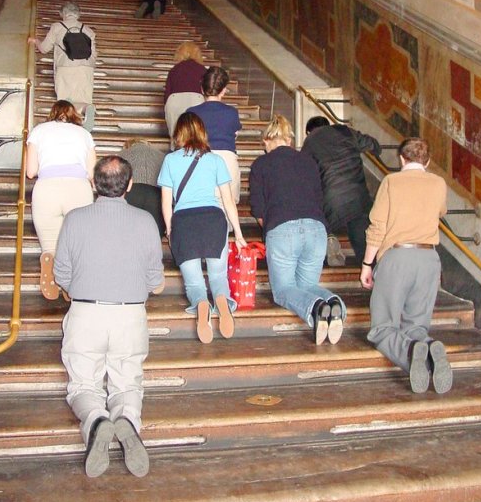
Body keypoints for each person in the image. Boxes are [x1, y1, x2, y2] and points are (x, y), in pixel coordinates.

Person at [54, 155, 164, 478]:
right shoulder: (146, 221)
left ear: (93, 183)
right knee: (127, 382)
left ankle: (96, 420)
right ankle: (127, 419)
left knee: (83, 385)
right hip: (130, 314)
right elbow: (155, 280)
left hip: (86, 312)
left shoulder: (74, 219)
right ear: (129, 186)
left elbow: (61, 274)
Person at [360, 138, 451, 394]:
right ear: (427, 161)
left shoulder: (392, 182)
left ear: (401, 158)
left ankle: (411, 352)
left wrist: (367, 264)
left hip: (397, 257)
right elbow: (441, 211)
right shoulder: (438, 183)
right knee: (417, 326)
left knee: (382, 328)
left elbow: (378, 227)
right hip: (429, 259)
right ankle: (428, 349)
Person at [249, 115, 346, 345]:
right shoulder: (308, 161)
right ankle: (335, 305)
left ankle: (316, 308)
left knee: (283, 290)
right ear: (289, 140)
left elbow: (259, 210)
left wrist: (271, 231)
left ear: (267, 140)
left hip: (282, 228)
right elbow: (320, 197)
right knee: (307, 286)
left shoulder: (261, 164)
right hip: (317, 229)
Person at [157, 112, 247, 344]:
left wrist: (170, 229)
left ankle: (201, 304)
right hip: (214, 220)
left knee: (194, 282)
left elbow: (166, 203)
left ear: (179, 133)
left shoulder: (170, 160)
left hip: (184, 222)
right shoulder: (215, 160)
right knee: (218, 276)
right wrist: (238, 233)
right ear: (202, 132)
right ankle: (222, 302)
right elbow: (228, 201)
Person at [26, 101, 96, 300]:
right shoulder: (84, 134)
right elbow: (92, 173)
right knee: (77, 245)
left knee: (50, 245)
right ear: (74, 115)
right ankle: (70, 283)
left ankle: (49, 261)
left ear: (53, 113)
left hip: (46, 189)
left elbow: (30, 171)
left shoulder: (38, 131)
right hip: (78, 188)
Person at [302, 116, 381, 265]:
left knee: (318, 216)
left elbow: (305, 175)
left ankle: (329, 237)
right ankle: (367, 266)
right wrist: (377, 149)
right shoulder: (344, 131)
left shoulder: (310, 142)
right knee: (360, 233)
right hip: (358, 195)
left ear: (308, 132)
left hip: (329, 197)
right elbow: (371, 144)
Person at [28, 1, 96, 130]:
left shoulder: (57, 27)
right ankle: (87, 108)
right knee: (83, 98)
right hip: (86, 68)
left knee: (65, 100)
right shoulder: (88, 30)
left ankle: (66, 127)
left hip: (65, 67)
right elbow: (93, 55)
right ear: (78, 14)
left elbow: (44, 48)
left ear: (62, 14)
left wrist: (36, 41)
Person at [187, 66, 242, 203]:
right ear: (223, 90)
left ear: (202, 89)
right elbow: (235, 133)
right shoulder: (232, 112)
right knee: (227, 206)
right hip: (227, 162)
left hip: (198, 160)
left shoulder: (191, 113)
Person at [119, 139, 166, 236]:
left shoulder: (121, 155)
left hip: (130, 193)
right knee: (155, 234)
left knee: (127, 234)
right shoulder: (162, 156)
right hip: (156, 195)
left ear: (128, 146)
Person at [163, 41, 206, 139]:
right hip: (197, 101)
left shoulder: (174, 70)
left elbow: (167, 93)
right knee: (196, 136)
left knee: (176, 136)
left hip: (175, 101)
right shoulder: (202, 70)